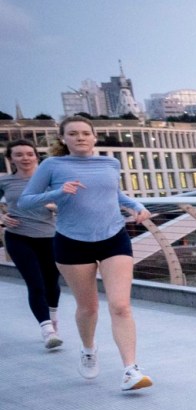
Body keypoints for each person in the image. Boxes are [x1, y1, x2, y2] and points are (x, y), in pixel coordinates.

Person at [16, 116, 152, 389]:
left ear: (94, 137)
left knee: (120, 306)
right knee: (88, 308)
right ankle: (88, 349)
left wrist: (137, 206)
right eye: (73, 133)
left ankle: (131, 370)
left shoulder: (110, 163)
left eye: (85, 133)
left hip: (114, 238)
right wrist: (58, 193)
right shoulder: (52, 165)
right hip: (72, 241)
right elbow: (25, 202)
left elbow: (115, 195)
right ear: (63, 138)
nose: (80, 137)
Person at [2, 140, 65, 349]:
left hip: (50, 238)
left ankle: (53, 319)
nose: (25, 158)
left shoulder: (50, 181)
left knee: (51, 283)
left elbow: (69, 205)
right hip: (18, 237)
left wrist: (54, 206)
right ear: (10, 159)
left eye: (29, 154)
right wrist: (2, 218)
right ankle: (47, 331)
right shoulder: (5, 181)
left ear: (37, 156)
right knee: (35, 283)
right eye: (19, 154)